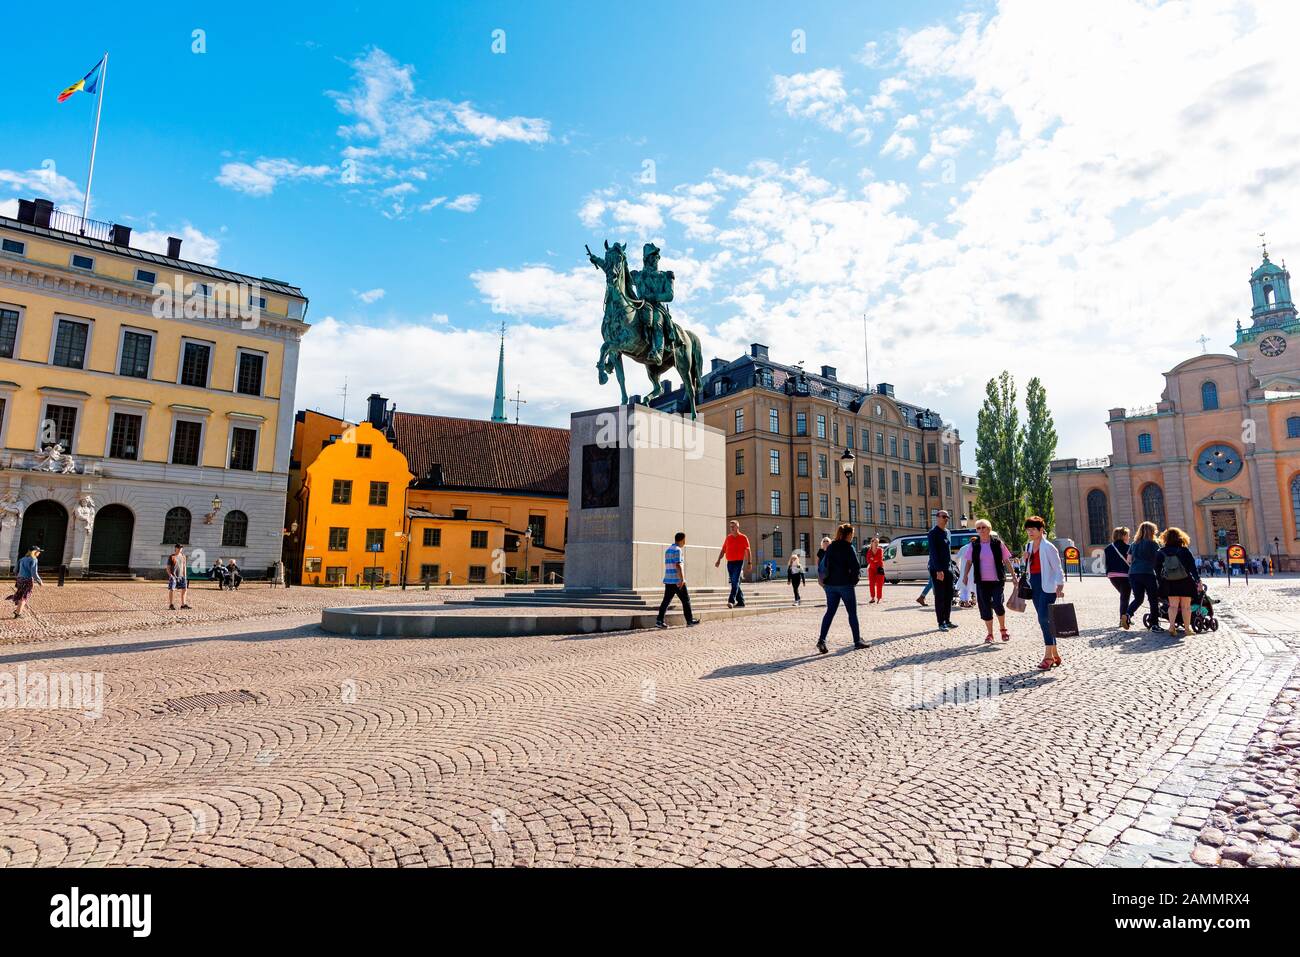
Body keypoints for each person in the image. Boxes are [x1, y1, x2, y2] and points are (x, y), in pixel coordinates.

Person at [816, 523, 867, 654]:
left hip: (830, 586)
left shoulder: (831, 546)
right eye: (852, 535)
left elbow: (824, 563)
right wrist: (854, 581)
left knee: (830, 612)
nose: (852, 537)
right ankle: (857, 641)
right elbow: (856, 567)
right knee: (852, 613)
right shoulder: (849, 547)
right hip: (845, 584)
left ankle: (822, 640)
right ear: (849, 534)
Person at [961, 520, 1013, 644]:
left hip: (997, 580)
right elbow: (968, 562)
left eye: (983, 527)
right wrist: (965, 575)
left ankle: (1003, 629)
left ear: (989, 528)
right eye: (978, 528)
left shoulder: (998, 543)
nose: (981, 530)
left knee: (997, 604)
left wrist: (1014, 576)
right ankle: (990, 634)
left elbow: (1006, 561)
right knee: (985, 607)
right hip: (981, 581)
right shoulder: (974, 545)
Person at [1023, 516, 1064, 670]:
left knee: (1043, 618)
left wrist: (1060, 585)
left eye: (1033, 529)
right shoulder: (1028, 546)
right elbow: (1027, 568)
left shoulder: (1049, 547)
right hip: (1034, 585)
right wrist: (1025, 559)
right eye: (1028, 529)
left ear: (1041, 530)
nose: (1030, 532)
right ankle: (1054, 653)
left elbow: (1057, 567)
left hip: (1047, 585)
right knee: (1044, 620)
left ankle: (1048, 656)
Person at [1157, 527, 1199, 637]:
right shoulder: (1184, 550)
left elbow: (1157, 569)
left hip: (1170, 582)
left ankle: (1171, 626)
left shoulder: (1161, 552)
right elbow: (1192, 568)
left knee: (1173, 606)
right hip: (1185, 580)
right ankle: (1187, 629)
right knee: (1186, 606)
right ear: (1181, 537)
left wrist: (1161, 581)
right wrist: (1198, 581)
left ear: (1164, 538)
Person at [656, 532, 700, 628]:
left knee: (666, 601)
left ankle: (659, 621)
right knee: (686, 600)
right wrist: (682, 579)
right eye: (685, 540)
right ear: (682, 540)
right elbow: (678, 565)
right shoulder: (678, 550)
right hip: (677, 581)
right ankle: (689, 621)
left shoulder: (668, 550)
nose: (685, 542)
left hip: (668, 580)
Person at [1125, 522, 1162, 631]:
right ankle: (1154, 624)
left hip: (1133, 574)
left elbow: (1129, 560)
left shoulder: (1133, 544)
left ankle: (1127, 614)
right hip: (1148, 573)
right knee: (1153, 599)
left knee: (1138, 598)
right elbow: (1158, 559)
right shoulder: (1154, 544)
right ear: (1152, 532)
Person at [928, 510, 956, 630]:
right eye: (944, 516)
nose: (946, 519)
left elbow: (948, 552)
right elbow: (933, 553)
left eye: (948, 517)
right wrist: (939, 570)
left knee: (949, 596)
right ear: (937, 518)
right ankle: (941, 622)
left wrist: (951, 568)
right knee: (940, 596)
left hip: (948, 568)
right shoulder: (933, 533)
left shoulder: (948, 532)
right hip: (937, 569)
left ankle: (948, 620)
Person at [714, 520, 752, 608]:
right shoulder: (728, 537)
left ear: (737, 527)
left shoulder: (743, 537)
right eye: (730, 526)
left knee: (734, 582)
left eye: (733, 526)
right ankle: (741, 601)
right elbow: (723, 549)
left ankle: (731, 600)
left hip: (739, 562)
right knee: (735, 582)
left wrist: (749, 562)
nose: (731, 528)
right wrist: (718, 560)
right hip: (730, 563)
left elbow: (748, 551)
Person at [1105, 527, 1133, 628]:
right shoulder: (1129, 547)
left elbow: (1107, 563)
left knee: (1123, 596)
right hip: (1125, 576)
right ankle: (1123, 619)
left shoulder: (1108, 548)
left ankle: (1125, 617)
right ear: (1123, 535)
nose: (1129, 537)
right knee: (1125, 598)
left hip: (1112, 576)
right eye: (1128, 535)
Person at [5, 545, 43, 618]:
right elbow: (34, 573)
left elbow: (15, 570)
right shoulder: (34, 560)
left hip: (20, 579)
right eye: (38, 552)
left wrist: (20, 576)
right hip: (27, 580)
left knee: (21, 595)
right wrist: (39, 581)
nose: (39, 553)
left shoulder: (22, 559)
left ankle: (17, 611)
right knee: (24, 597)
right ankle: (18, 613)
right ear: (35, 552)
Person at [167, 544, 191, 611]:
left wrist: (185, 575)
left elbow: (184, 566)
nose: (180, 549)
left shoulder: (183, 556)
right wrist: (170, 575)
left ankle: (183, 604)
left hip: (182, 576)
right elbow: (168, 568)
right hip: (174, 576)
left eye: (181, 548)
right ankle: (171, 604)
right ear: (176, 548)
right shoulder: (171, 557)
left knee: (185, 589)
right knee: (172, 589)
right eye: (179, 547)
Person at [864, 536, 886, 604]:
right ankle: (872, 598)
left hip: (879, 569)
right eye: (875, 542)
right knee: (871, 584)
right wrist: (873, 560)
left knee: (879, 584)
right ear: (872, 543)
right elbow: (868, 560)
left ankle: (879, 598)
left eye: (877, 542)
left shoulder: (880, 550)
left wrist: (872, 559)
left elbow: (879, 558)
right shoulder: (869, 550)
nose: (877, 543)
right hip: (872, 569)